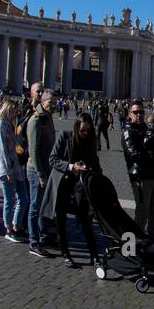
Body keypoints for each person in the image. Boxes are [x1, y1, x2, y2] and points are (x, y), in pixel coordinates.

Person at [49, 114, 102, 267]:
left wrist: (99, 178)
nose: (85, 133)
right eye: (82, 131)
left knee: (87, 220)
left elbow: (95, 163)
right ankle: (65, 253)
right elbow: (52, 159)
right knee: (61, 220)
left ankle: (94, 255)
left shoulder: (90, 141)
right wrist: (71, 167)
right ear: (76, 128)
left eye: (88, 131)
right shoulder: (65, 137)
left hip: (81, 186)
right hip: (63, 183)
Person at [122, 103, 154, 241]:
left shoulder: (149, 128)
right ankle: (135, 245)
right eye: (136, 112)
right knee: (142, 213)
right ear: (129, 114)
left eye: (141, 112)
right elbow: (134, 154)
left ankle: (153, 241)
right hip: (141, 177)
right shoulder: (128, 132)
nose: (139, 115)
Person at [25, 87, 58, 257]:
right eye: (50, 102)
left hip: (47, 170)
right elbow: (34, 150)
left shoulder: (48, 117)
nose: (53, 105)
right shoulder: (36, 120)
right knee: (35, 208)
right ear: (42, 102)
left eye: (54, 102)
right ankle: (33, 242)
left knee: (44, 207)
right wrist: (40, 175)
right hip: (36, 171)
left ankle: (44, 236)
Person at [0, 99, 29, 240]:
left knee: (23, 198)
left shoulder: (8, 124)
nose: (16, 113)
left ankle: (17, 225)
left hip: (16, 167)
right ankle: (9, 229)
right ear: (8, 110)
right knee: (9, 200)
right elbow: (2, 151)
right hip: (7, 169)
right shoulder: (1, 125)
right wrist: (8, 172)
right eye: (14, 110)